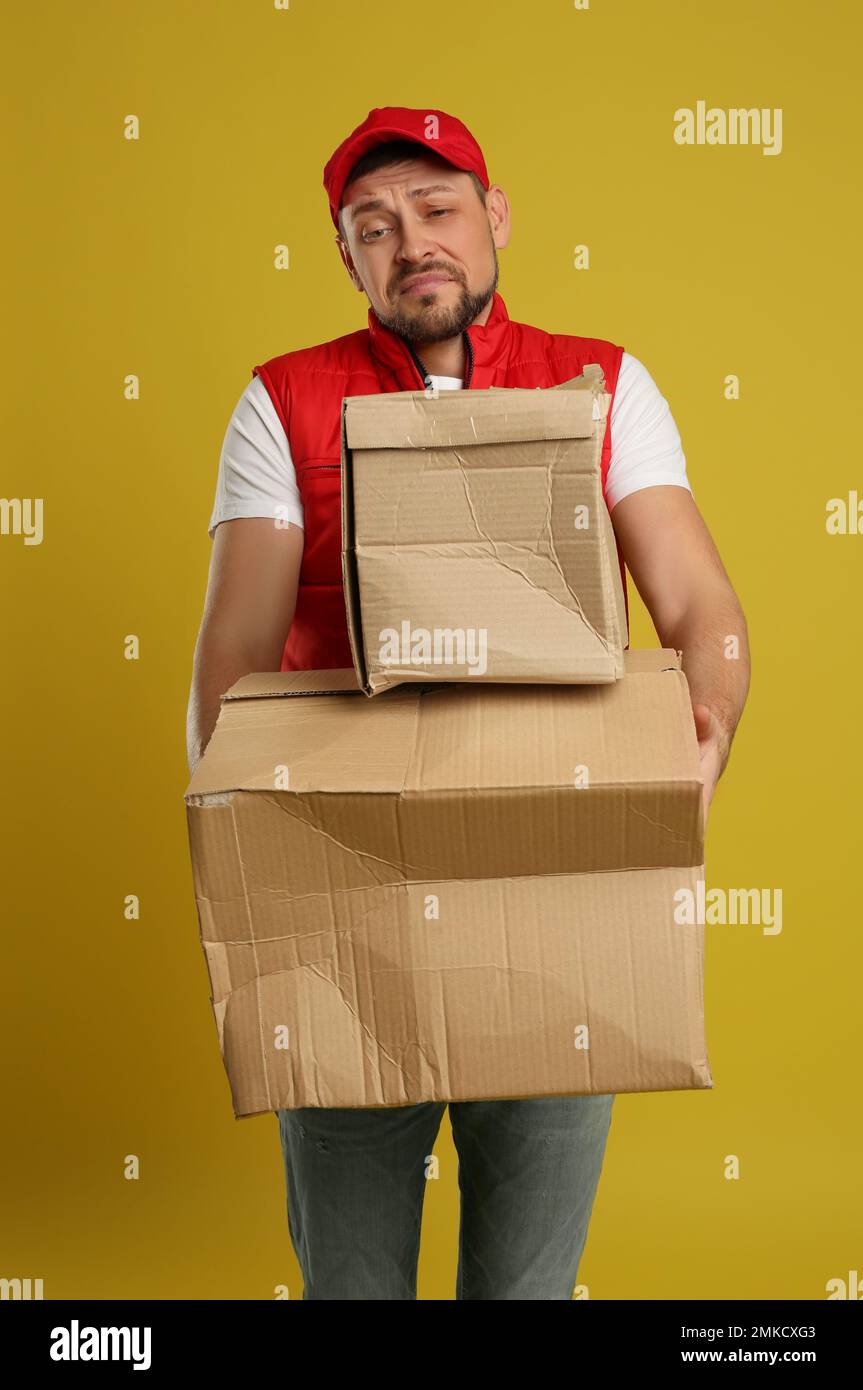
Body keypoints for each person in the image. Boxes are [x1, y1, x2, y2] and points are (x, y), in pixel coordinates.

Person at [186, 106, 750, 1300]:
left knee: (526, 1291)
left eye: (436, 211)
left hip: (551, 883)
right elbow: (232, 670)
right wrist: (251, 874)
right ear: (348, 259)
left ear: (492, 219)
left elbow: (701, 610)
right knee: (349, 1283)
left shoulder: (602, 384)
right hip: (345, 901)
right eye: (373, 227)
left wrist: (694, 752)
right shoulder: (284, 402)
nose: (412, 243)